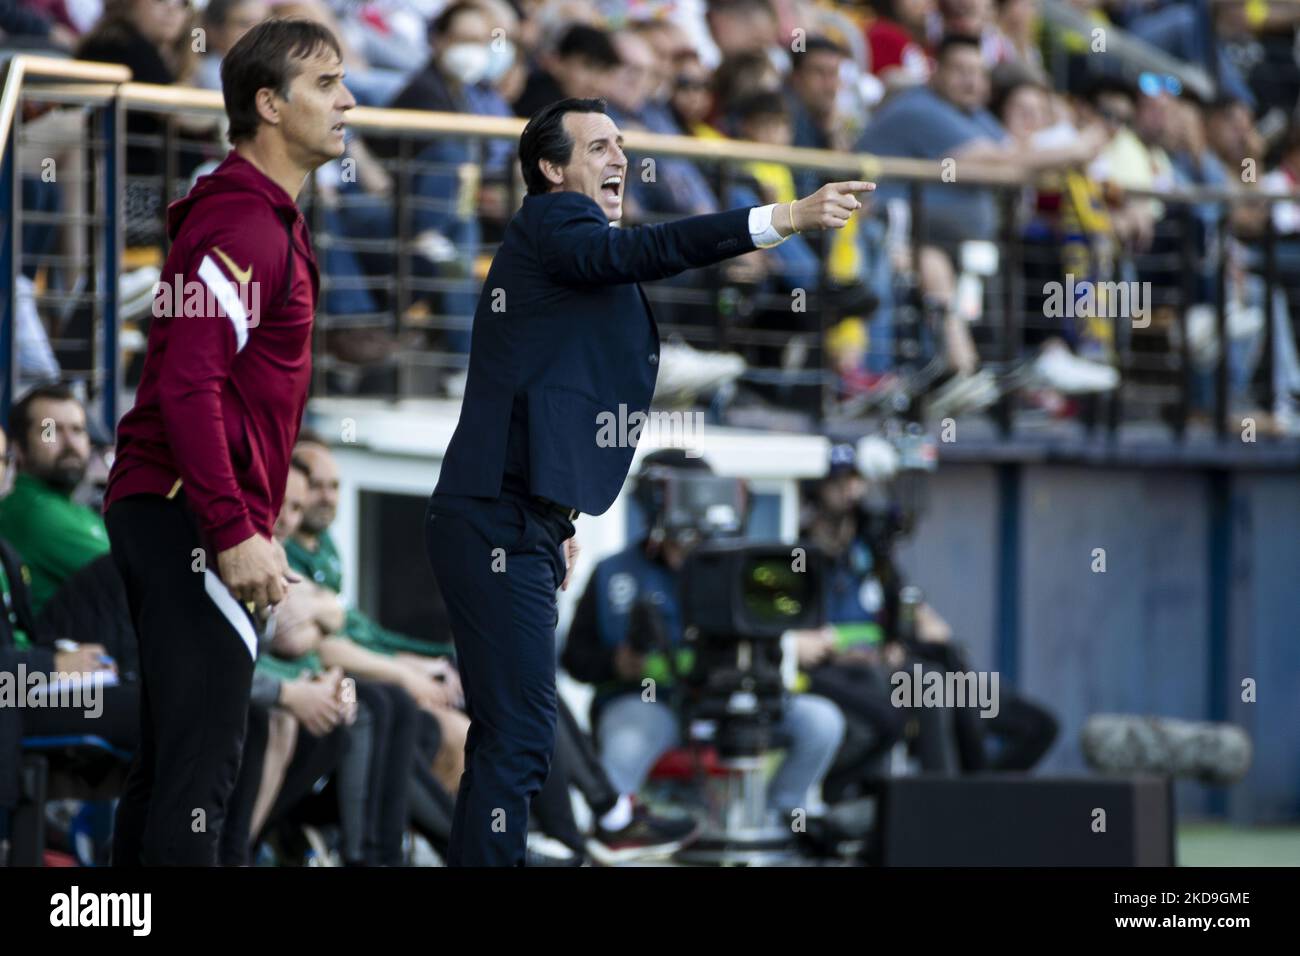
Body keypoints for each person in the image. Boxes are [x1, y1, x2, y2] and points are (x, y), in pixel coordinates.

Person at [424, 95, 873, 866]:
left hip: (522, 518)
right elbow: (637, 254)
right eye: (597, 147)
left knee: (514, 735)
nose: (619, 159)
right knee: (520, 736)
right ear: (550, 168)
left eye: (621, 144)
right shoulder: (554, 223)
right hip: (494, 518)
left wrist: (559, 520)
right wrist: (783, 218)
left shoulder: (563, 255)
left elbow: (548, 380)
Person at [101, 17, 353, 866]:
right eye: (326, 85)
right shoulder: (245, 226)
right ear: (269, 104)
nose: (347, 100)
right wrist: (234, 528)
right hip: (188, 515)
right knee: (202, 769)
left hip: (177, 511)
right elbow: (188, 385)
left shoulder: (261, 218)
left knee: (171, 763)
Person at [562, 450, 847, 835]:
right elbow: (575, 658)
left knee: (821, 721)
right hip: (650, 702)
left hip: (734, 697)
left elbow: (784, 625)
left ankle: (777, 824)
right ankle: (617, 833)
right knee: (625, 744)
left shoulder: (747, 565)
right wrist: (619, 662)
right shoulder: (615, 572)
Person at [0, 385, 111, 615]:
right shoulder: (34, 513)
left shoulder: (69, 507)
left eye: (78, 430)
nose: (70, 443)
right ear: (18, 448)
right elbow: (139, 574)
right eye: (51, 431)